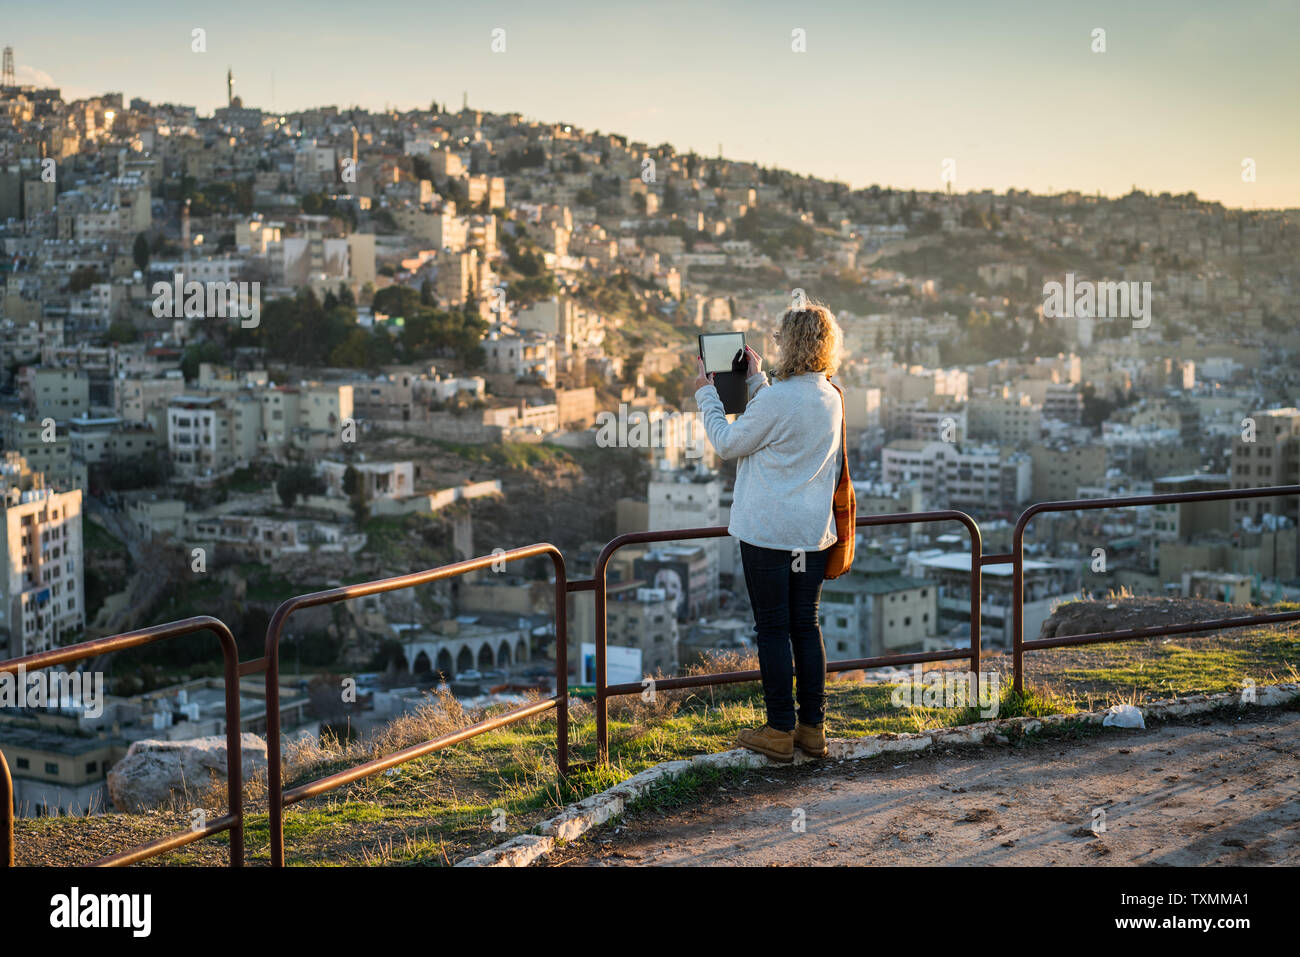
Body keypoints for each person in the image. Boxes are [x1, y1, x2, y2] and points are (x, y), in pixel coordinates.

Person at [692, 303, 845, 761]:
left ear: (790, 343)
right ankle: (811, 729)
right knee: (805, 625)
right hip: (813, 533)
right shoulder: (831, 396)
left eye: (780, 339)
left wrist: (706, 394)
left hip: (767, 534)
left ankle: (779, 730)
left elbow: (727, 443)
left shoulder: (778, 399)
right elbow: (785, 421)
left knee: (773, 628)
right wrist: (757, 380)